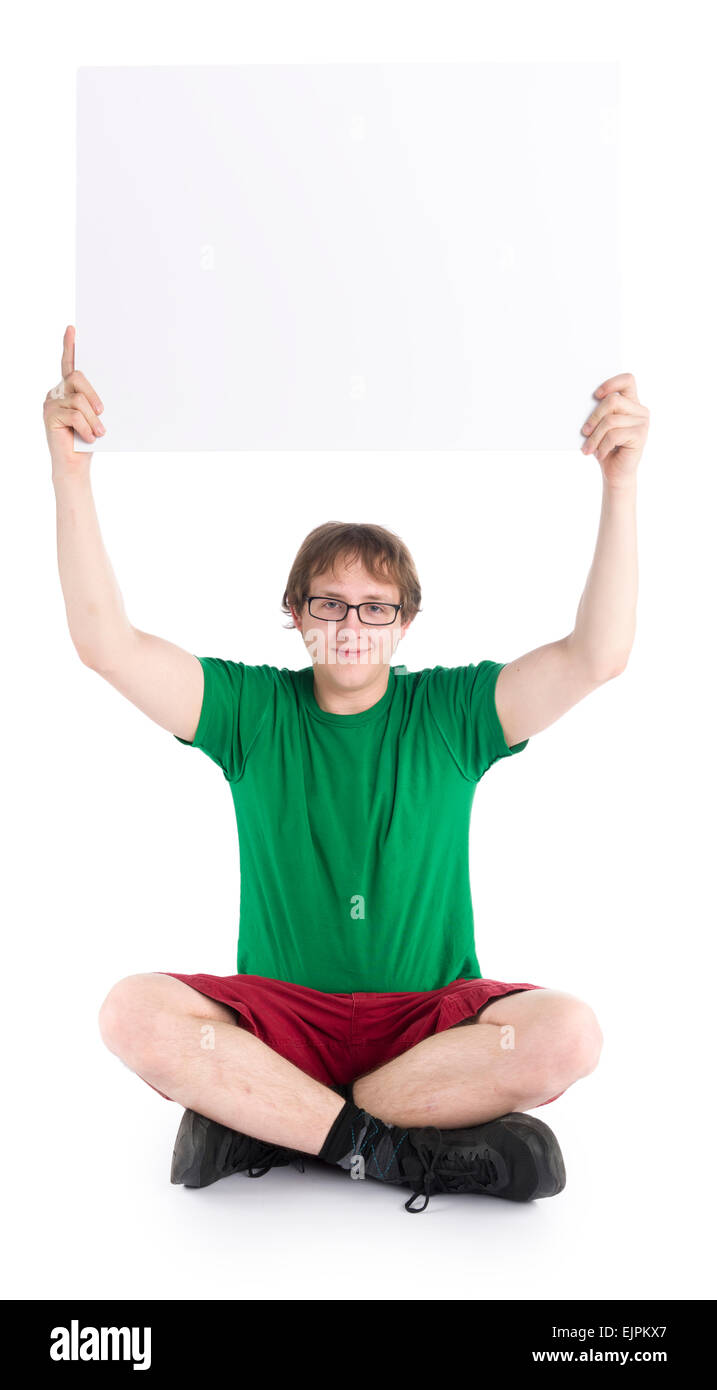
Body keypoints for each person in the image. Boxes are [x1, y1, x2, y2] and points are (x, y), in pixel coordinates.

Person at [45, 326, 648, 1213]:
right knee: (127, 1013)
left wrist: (621, 482)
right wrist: (71, 472)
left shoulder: (448, 713)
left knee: (568, 1035)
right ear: (293, 614)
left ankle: (269, 1122)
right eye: (329, 603)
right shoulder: (254, 712)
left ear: (406, 622)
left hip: (427, 1027)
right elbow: (105, 644)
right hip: (280, 1021)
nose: (352, 623)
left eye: (375, 606)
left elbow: (597, 655)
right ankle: (384, 1144)